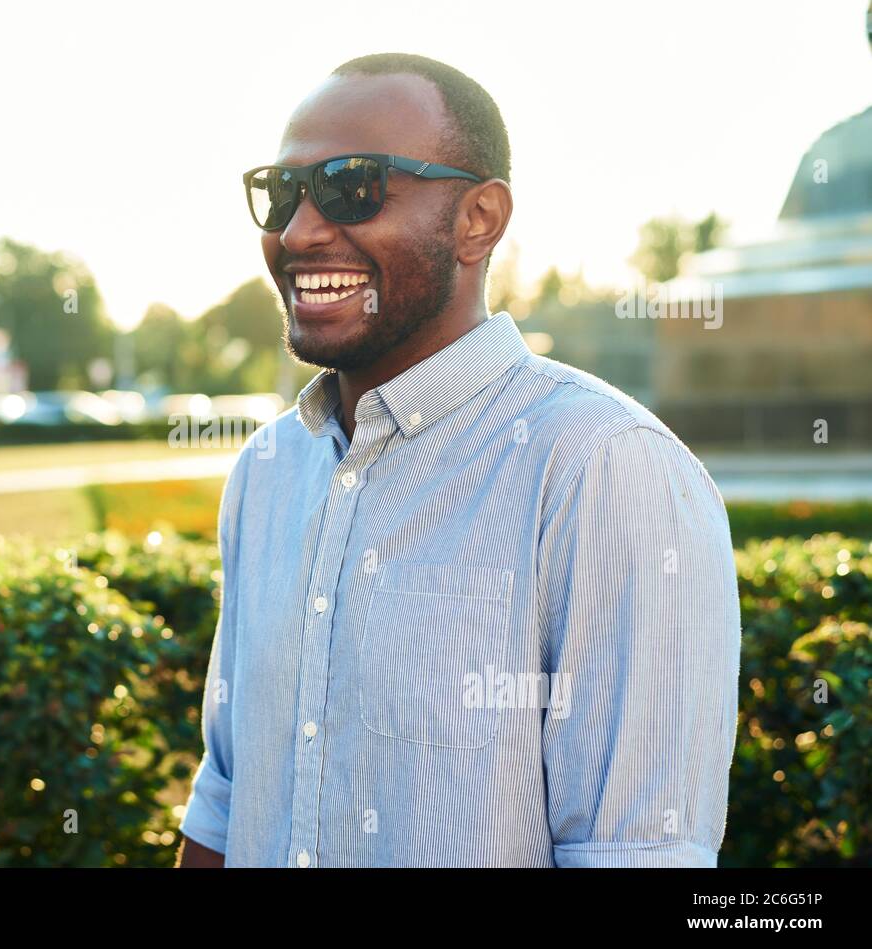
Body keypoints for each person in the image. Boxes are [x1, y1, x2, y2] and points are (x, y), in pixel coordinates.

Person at [176, 53, 740, 868]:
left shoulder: (603, 471)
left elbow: (634, 853)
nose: (298, 231)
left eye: (351, 185)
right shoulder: (265, 471)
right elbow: (225, 804)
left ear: (479, 218)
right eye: (282, 192)